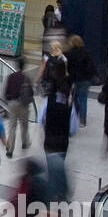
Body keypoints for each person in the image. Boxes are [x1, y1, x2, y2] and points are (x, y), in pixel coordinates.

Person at [40, 62, 73, 203]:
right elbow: (72, 126)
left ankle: (52, 194)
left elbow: (41, 119)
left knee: (52, 168)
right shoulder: (67, 106)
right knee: (59, 166)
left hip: (50, 139)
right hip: (62, 140)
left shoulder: (49, 102)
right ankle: (61, 194)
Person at [4, 57, 33, 158]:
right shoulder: (27, 78)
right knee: (24, 124)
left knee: (12, 126)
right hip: (23, 104)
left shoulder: (10, 77)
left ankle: (10, 150)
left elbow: (5, 93)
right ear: (24, 66)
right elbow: (31, 93)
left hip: (12, 104)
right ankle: (24, 142)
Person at [64, 35, 97, 127]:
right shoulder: (87, 53)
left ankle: (75, 115)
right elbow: (92, 67)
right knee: (83, 99)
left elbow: (68, 67)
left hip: (74, 80)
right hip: (85, 80)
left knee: (74, 99)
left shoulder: (69, 54)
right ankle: (82, 121)